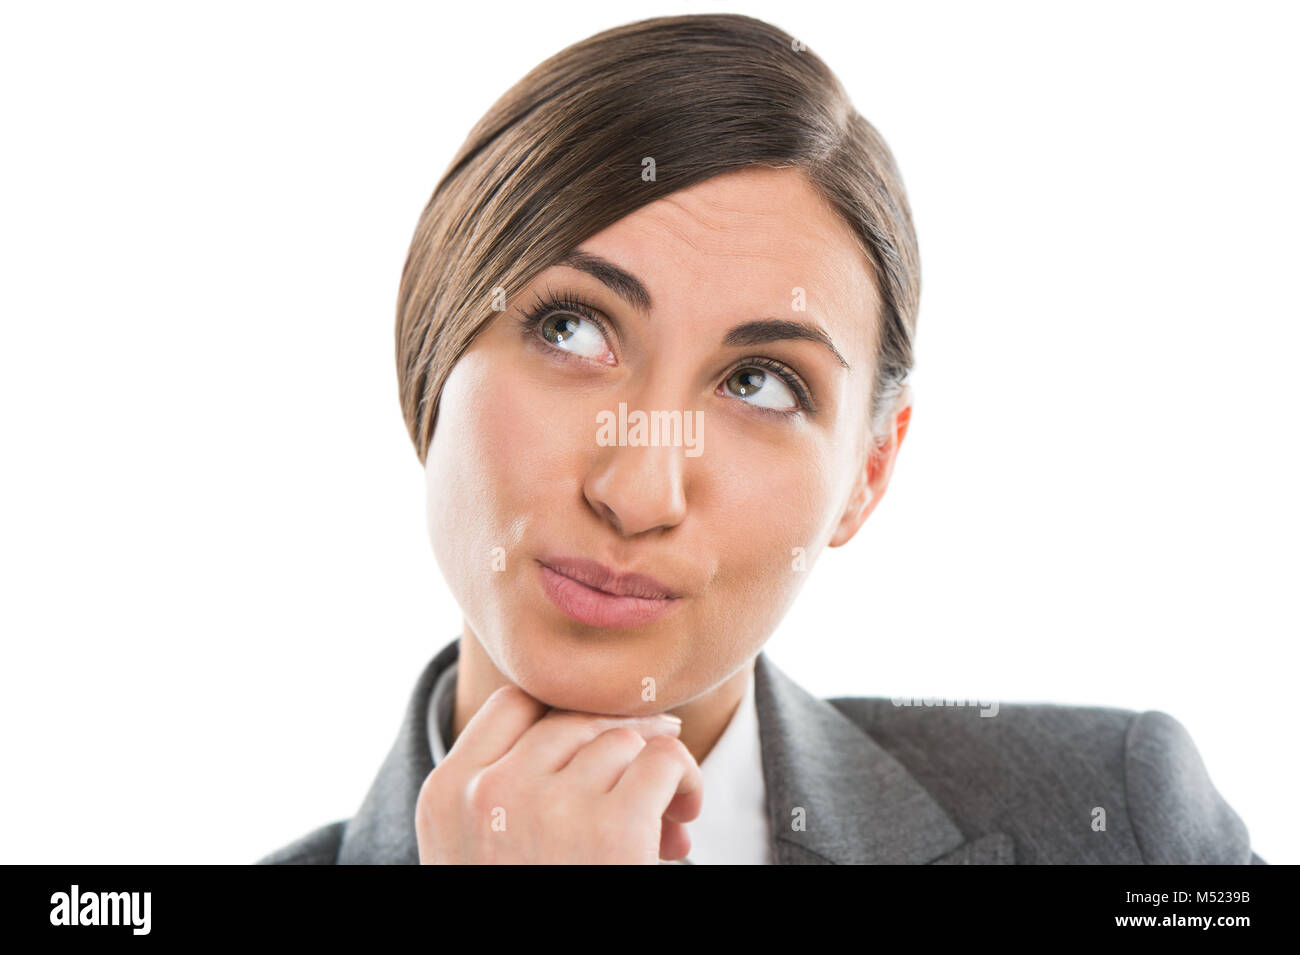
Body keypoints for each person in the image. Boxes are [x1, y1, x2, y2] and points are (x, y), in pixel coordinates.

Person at [259, 13, 1262, 865]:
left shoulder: (1124, 827)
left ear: (868, 473)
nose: (638, 490)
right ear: (431, 349)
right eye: (572, 329)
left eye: (759, 384)